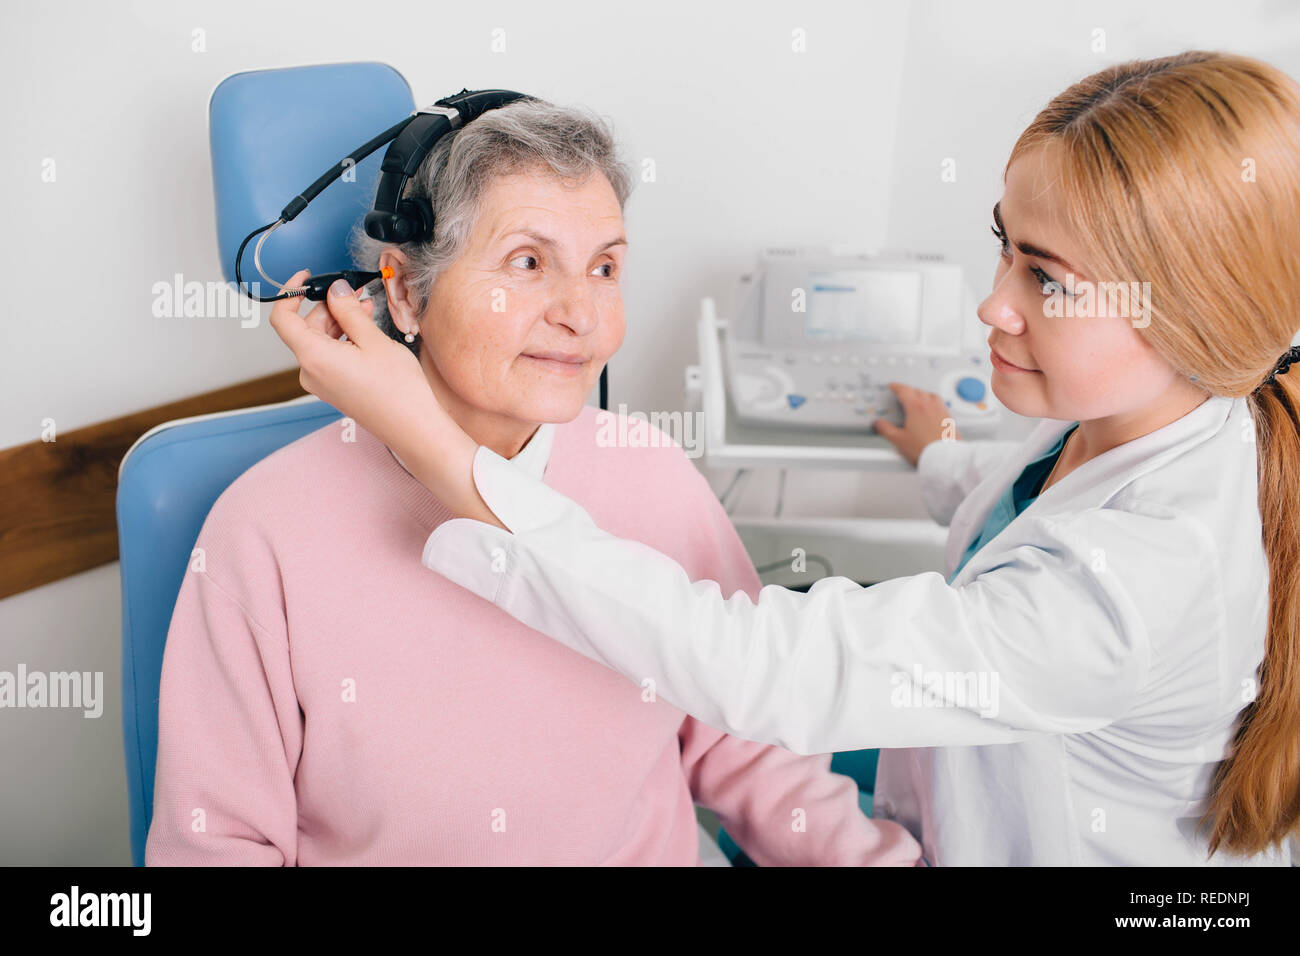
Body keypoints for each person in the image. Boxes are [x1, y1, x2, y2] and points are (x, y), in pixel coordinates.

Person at [271, 52, 1300, 866]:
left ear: (1190, 319)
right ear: (403, 290)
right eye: (1005, 244)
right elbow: (1016, 526)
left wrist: (433, 448)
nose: (993, 303)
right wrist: (936, 451)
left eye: (1046, 279)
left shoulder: (1144, 582)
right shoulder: (1134, 419)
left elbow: (749, 681)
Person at [147, 97, 920, 866]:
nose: (582, 315)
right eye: (527, 262)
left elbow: (750, 753)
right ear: (408, 290)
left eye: (605, 266)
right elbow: (217, 846)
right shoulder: (264, 530)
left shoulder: (650, 473)